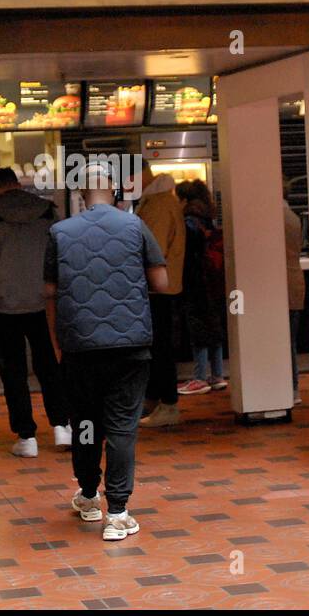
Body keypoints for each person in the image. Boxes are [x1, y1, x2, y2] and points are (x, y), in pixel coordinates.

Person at [44, 160, 168, 541]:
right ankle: (118, 512)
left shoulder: (59, 232)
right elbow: (161, 282)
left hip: (79, 347)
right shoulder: (134, 226)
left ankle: (87, 495)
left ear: (80, 195)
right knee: (122, 428)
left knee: (85, 424)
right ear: (114, 190)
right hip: (129, 347)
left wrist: (58, 343)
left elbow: (49, 294)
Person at [0, 166, 70, 457]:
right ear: (18, 185)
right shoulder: (48, 210)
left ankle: (27, 437)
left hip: (2, 304)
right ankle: (63, 427)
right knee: (50, 365)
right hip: (43, 301)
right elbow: (62, 253)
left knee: (13, 371)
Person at [135, 163, 186, 427]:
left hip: (158, 288)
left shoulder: (158, 204)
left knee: (160, 347)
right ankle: (156, 399)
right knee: (157, 346)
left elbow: (151, 250)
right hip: (162, 286)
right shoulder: (159, 200)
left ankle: (168, 404)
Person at [175, 180, 226, 395]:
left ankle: (199, 377)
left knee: (198, 330)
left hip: (195, 282)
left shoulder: (188, 222)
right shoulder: (209, 218)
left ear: (184, 199)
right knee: (214, 328)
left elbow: (186, 256)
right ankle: (217, 375)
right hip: (213, 281)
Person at [284, 198, 307, 407]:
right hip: (293, 283)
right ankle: (292, 388)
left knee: (285, 343)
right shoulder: (292, 216)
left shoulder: (276, 217)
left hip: (283, 286)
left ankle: (289, 387)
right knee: (290, 342)